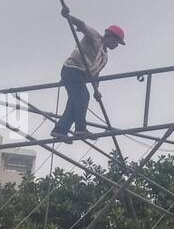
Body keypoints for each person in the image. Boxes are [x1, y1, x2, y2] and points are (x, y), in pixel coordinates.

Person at [52, 8, 125, 142]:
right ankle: (80, 129)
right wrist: (68, 16)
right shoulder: (96, 38)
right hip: (72, 70)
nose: (116, 45)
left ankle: (60, 130)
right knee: (82, 97)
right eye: (116, 42)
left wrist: (96, 91)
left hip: (80, 75)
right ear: (109, 37)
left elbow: (95, 75)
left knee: (74, 103)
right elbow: (82, 25)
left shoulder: (104, 58)